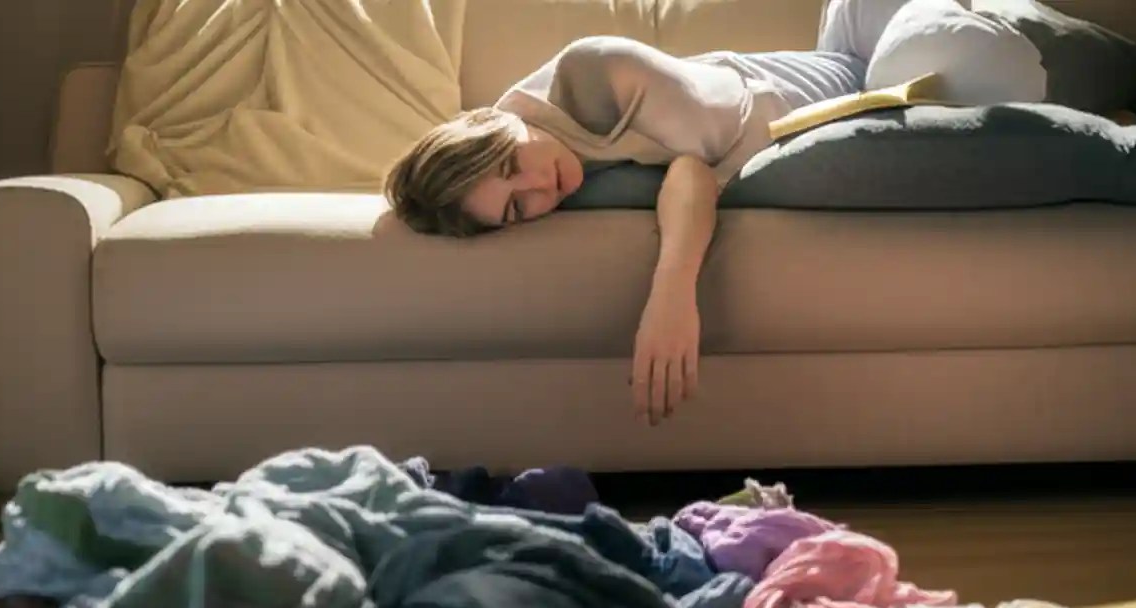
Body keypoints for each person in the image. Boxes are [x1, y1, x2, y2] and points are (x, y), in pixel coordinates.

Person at [381, 0, 1007, 427]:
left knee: (998, 54)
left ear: (499, 121)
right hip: (852, 66)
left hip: (861, 56)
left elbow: (695, 170)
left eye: (515, 166)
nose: (543, 190)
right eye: (518, 212)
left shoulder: (599, 72)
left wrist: (671, 296)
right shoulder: (558, 168)